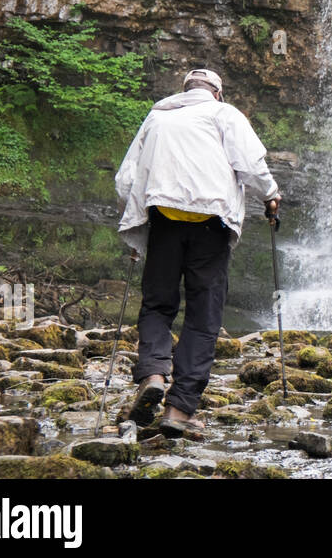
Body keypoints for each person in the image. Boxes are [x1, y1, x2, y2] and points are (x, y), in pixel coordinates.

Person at [114, 68, 281, 435]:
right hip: (210, 225)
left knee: (158, 304)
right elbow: (250, 165)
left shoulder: (158, 116)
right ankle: (179, 410)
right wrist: (271, 196)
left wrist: (136, 220)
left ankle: (154, 374)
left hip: (164, 221)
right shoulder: (225, 115)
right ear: (217, 93)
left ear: (185, 91)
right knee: (204, 316)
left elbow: (126, 179)